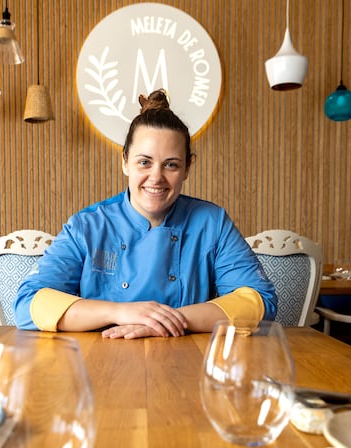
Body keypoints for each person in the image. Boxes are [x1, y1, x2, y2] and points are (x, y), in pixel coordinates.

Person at [14, 89, 277, 339]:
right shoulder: (87, 226)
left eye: (171, 165)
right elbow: (29, 303)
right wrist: (120, 312)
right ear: (125, 161)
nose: (156, 177)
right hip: (103, 360)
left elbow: (259, 300)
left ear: (187, 168)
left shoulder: (212, 223)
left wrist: (165, 321)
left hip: (188, 362)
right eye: (144, 162)